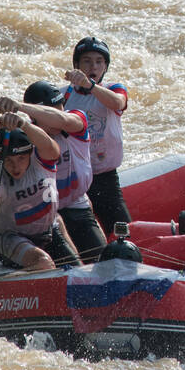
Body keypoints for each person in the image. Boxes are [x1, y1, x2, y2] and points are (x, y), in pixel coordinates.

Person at [0, 80, 105, 261]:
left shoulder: (77, 119)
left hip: (76, 205)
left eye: (60, 106)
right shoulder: (25, 138)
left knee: (103, 260)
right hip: (44, 215)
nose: (59, 113)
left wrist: (20, 106)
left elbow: (61, 119)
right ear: (36, 118)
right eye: (50, 111)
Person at [0, 112, 77, 272]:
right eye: (9, 161)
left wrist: (23, 124)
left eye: (21, 159)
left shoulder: (42, 158)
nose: (15, 167)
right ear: (0, 157)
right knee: (44, 262)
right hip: (9, 237)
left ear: (30, 152)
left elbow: (50, 146)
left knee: (77, 270)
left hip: (47, 231)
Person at [63, 36, 130, 235]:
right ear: (76, 65)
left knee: (123, 233)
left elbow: (118, 103)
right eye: (87, 61)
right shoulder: (63, 95)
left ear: (105, 67)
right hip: (73, 178)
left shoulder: (113, 89)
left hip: (105, 177)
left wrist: (90, 86)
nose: (93, 66)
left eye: (99, 61)